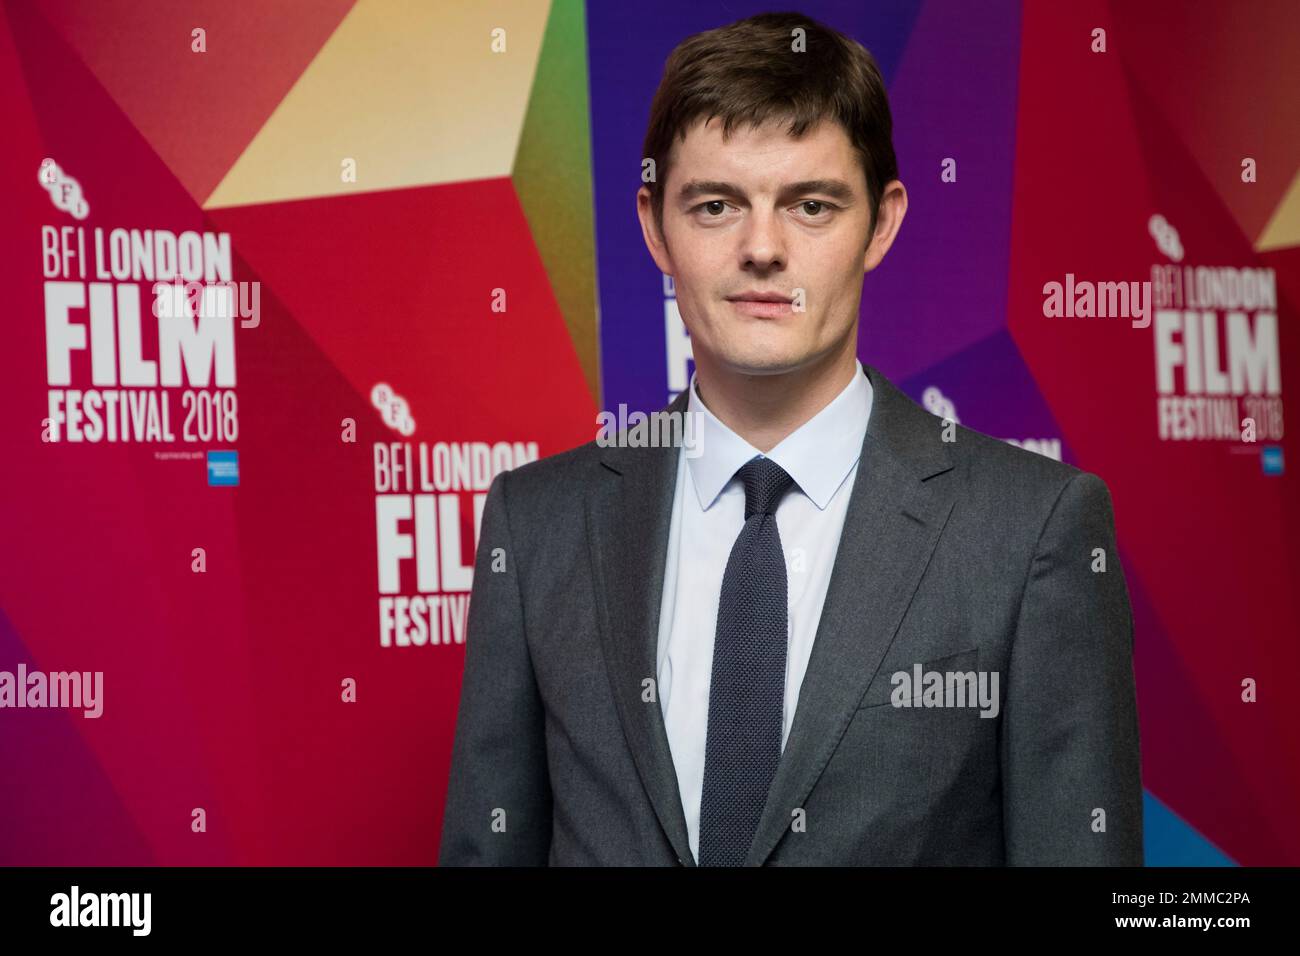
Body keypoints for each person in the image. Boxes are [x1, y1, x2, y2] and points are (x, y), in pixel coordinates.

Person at [439, 11, 1142, 866]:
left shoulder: (1032, 528)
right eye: (715, 204)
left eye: (811, 205)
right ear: (656, 226)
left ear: (880, 225)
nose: (762, 248)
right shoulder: (537, 522)